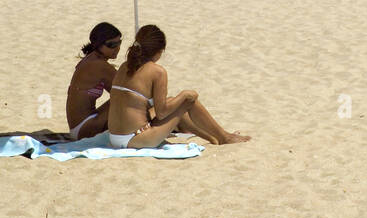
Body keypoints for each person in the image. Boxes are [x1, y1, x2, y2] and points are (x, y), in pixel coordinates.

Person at [107, 24, 250, 147]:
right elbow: (162, 112)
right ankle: (225, 137)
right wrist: (184, 95)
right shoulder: (157, 71)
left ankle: (214, 137)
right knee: (188, 100)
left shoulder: (125, 66)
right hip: (135, 139)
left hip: (115, 137)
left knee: (172, 101)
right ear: (159, 51)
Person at [66, 22, 121, 139]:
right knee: (130, 98)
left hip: (79, 127)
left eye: (119, 42)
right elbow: (125, 90)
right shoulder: (99, 66)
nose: (117, 48)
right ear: (98, 45)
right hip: (84, 129)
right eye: (111, 45)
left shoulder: (90, 59)